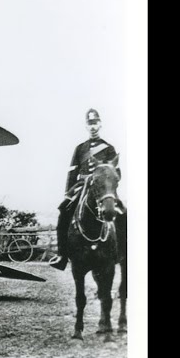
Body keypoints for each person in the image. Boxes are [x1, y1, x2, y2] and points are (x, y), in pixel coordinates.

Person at [49, 108, 122, 270]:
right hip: (81, 186)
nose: (93, 126)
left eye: (95, 122)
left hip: (103, 189)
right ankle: (62, 254)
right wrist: (68, 193)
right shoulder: (80, 148)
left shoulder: (109, 148)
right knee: (64, 212)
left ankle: (122, 252)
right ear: (86, 126)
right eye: (90, 123)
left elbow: (117, 173)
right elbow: (72, 173)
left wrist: (109, 187)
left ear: (100, 124)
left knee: (123, 213)